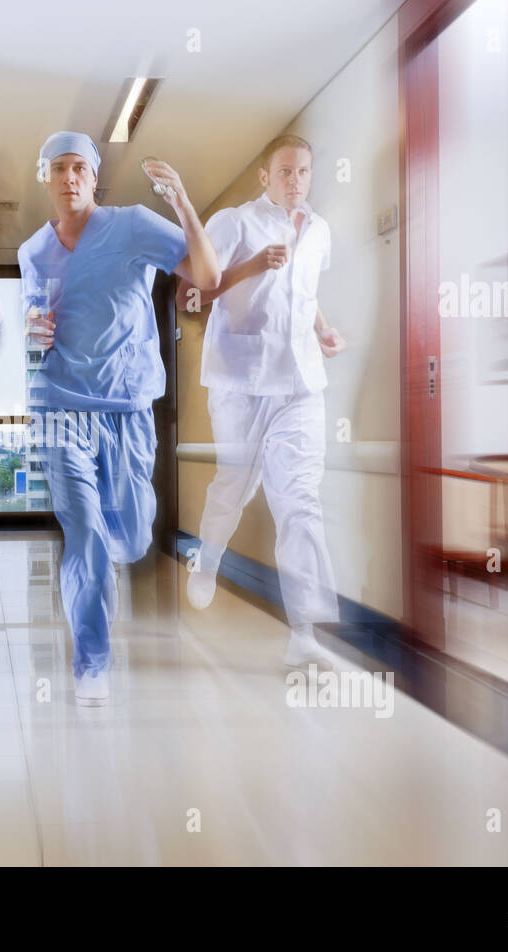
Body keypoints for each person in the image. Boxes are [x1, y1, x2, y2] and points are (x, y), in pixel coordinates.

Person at [20, 131, 220, 706]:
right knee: (82, 533)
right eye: (58, 167)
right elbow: (37, 326)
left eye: (79, 167)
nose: (69, 177)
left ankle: (104, 566)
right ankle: (92, 662)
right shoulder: (34, 252)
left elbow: (205, 278)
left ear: (95, 175)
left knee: (130, 537)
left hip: (128, 408)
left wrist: (182, 202)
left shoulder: (132, 224)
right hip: (60, 406)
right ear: (45, 178)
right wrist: (36, 332)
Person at [176, 133, 346, 668]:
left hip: (300, 385)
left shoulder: (319, 231)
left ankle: (306, 632)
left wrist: (323, 329)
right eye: (285, 171)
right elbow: (193, 292)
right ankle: (207, 561)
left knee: (299, 500)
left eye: (303, 172)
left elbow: (306, 293)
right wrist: (252, 267)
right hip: (241, 382)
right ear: (264, 176)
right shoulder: (234, 222)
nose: (295, 181)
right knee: (234, 486)